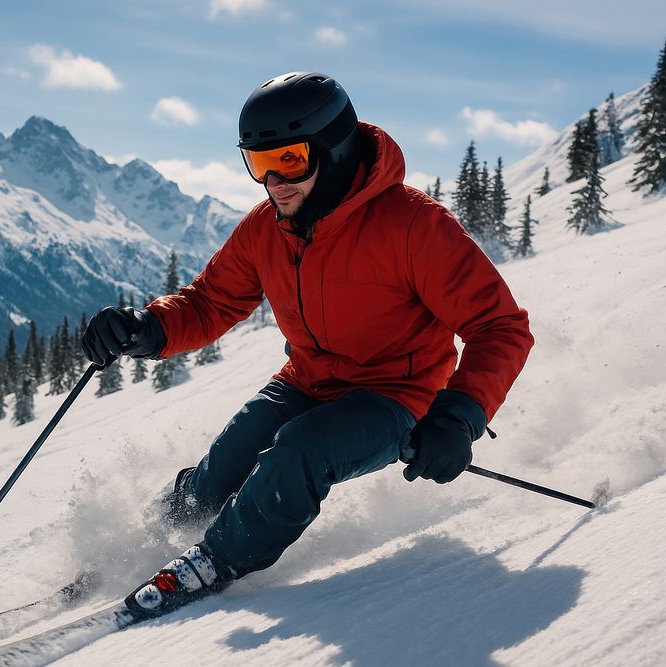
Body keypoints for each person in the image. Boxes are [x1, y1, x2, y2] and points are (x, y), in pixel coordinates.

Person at [82, 71, 533, 618]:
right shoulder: (266, 227)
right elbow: (210, 303)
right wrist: (147, 329)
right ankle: (154, 537)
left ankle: (216, 560)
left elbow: (500, 326)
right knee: (227, 459)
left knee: (300, 449)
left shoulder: (415, 225)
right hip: (308, 379)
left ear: (335, 149)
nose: (274, 181)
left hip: (397, 396)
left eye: (289, 160)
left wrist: (458, 416)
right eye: (258, 164)